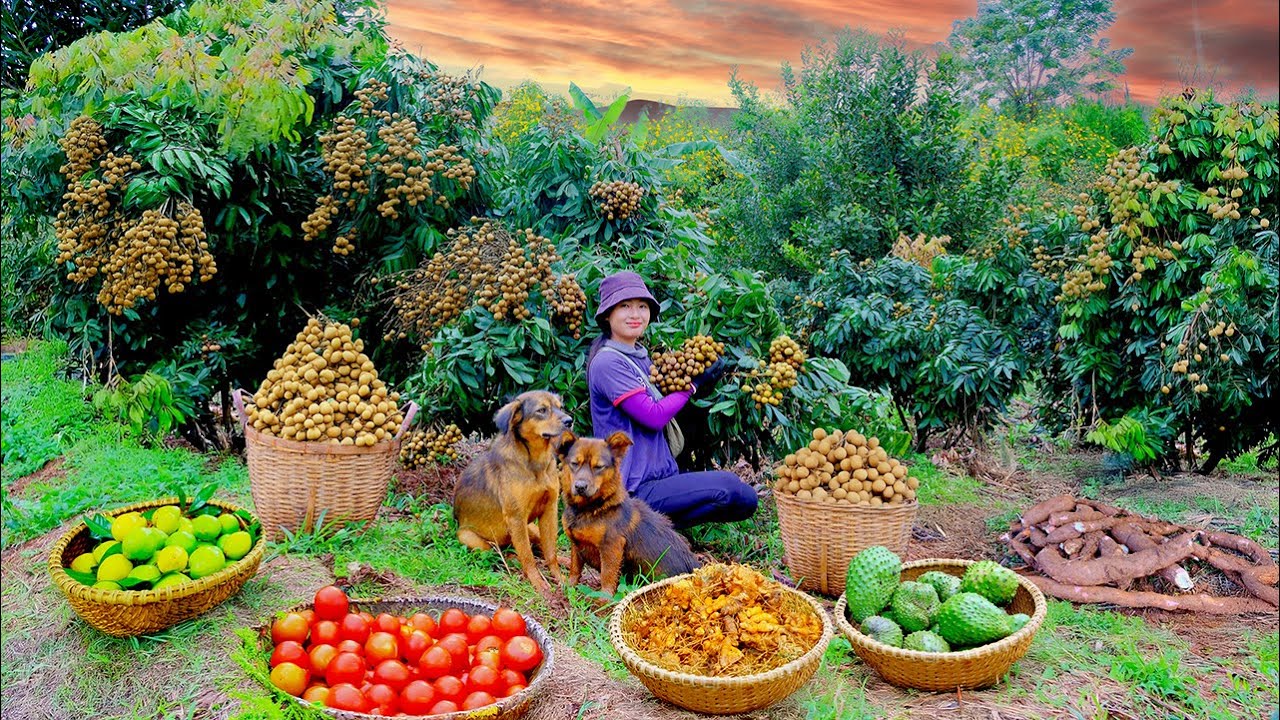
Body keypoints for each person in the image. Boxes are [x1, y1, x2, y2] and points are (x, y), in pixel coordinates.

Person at [585, 271, 758, 529]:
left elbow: (670, 409)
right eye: (625, 306)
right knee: (732, 488)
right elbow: (654, 417)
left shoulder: (641, 357)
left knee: (745, 499)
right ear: (608, 314)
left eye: (642, 306)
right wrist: (692, 387)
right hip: (630, 490)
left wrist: (702, 381)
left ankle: (658, 532)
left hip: (659, 479)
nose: (635, 314)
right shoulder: (607, 362)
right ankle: (635, 528)